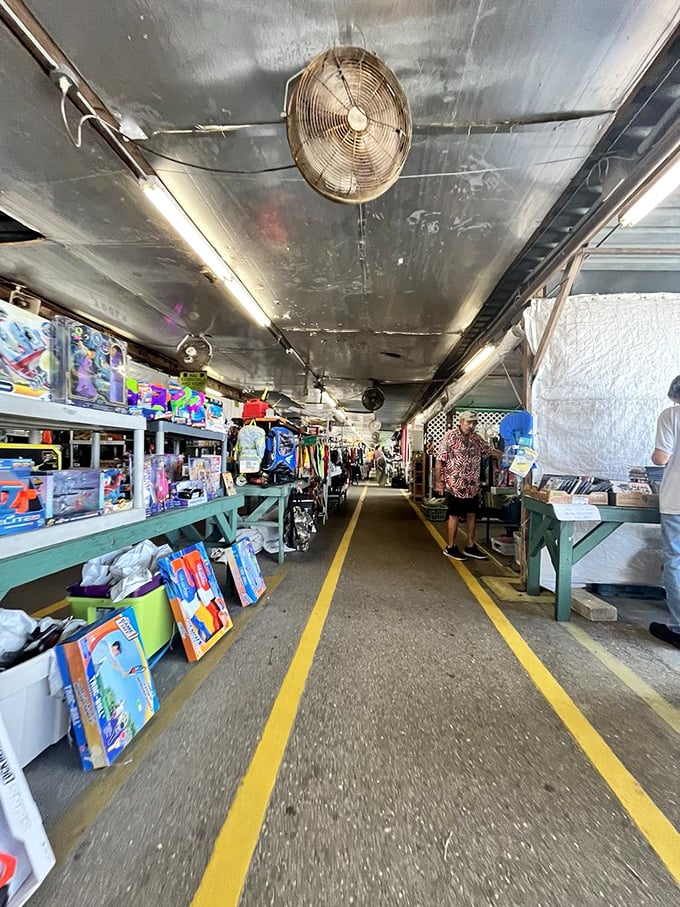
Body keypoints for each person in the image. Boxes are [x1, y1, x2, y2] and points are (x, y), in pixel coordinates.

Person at [434, 411, 501, 561]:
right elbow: (440, 460)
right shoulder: (450, 437)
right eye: (469, 422)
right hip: (455, 484)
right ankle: (450, 547)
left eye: (474, 423)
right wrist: (438, 482)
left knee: (472, 514)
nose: (471, 426)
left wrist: (510, 454)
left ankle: (470, 546)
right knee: (454, 515)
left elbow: (489, 451)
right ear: (461, 421)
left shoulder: (476, 439)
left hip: (472, 485)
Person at [649, 375, 680, 649]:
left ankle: (679, 626)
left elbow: (661, 457)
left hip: (677, 500)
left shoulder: (672, 415)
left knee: (676, 560)